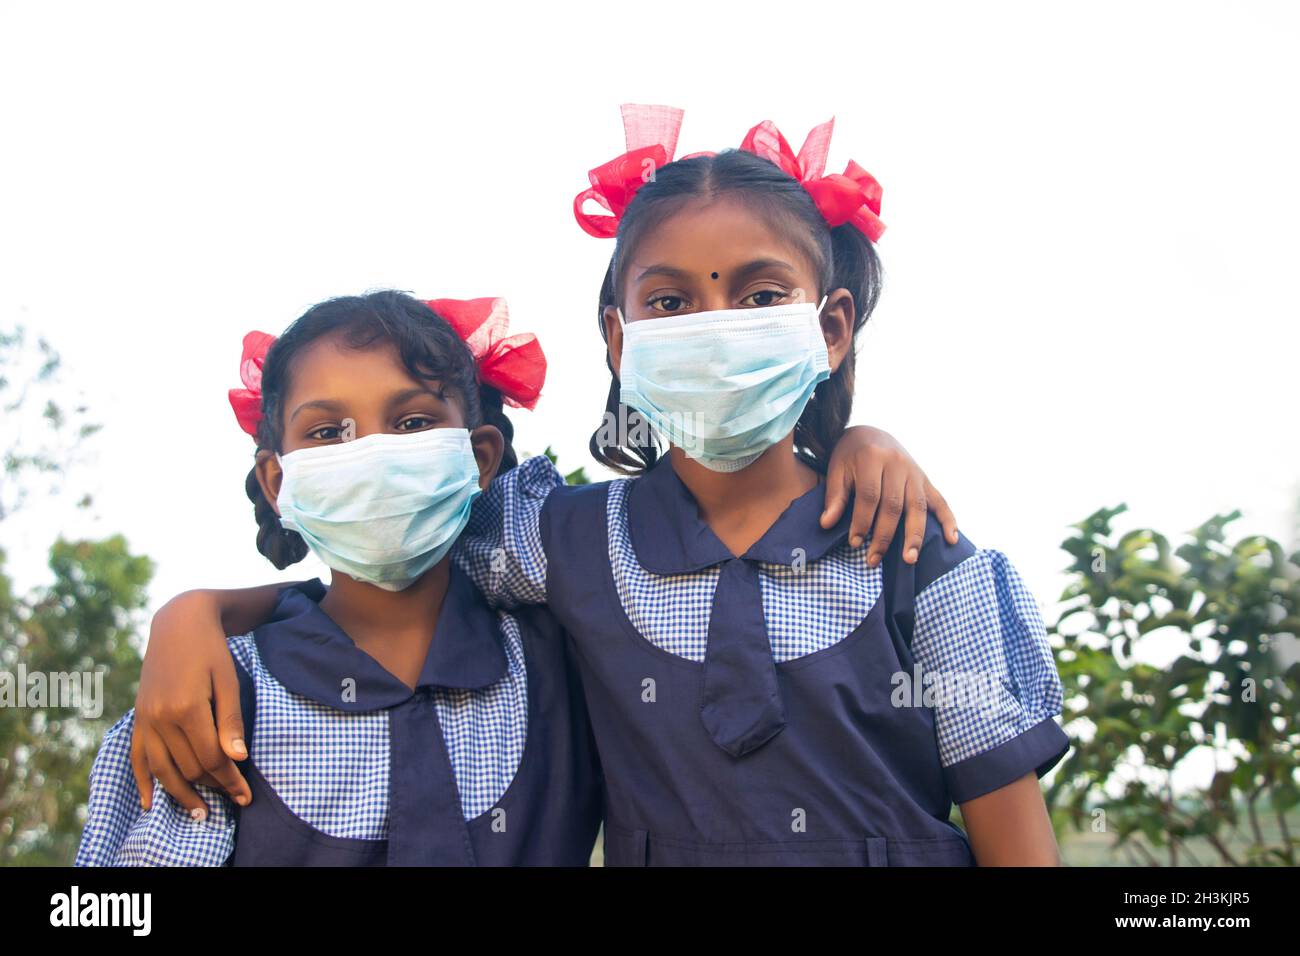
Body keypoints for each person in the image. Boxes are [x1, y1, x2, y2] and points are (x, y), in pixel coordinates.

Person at [76, 291, 601, 865]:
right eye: (328, 432)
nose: (373, 453)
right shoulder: (213, 706)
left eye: (413, 421)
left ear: (478, 459)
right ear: (278, 484)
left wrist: (200, 609)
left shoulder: (570, 657)